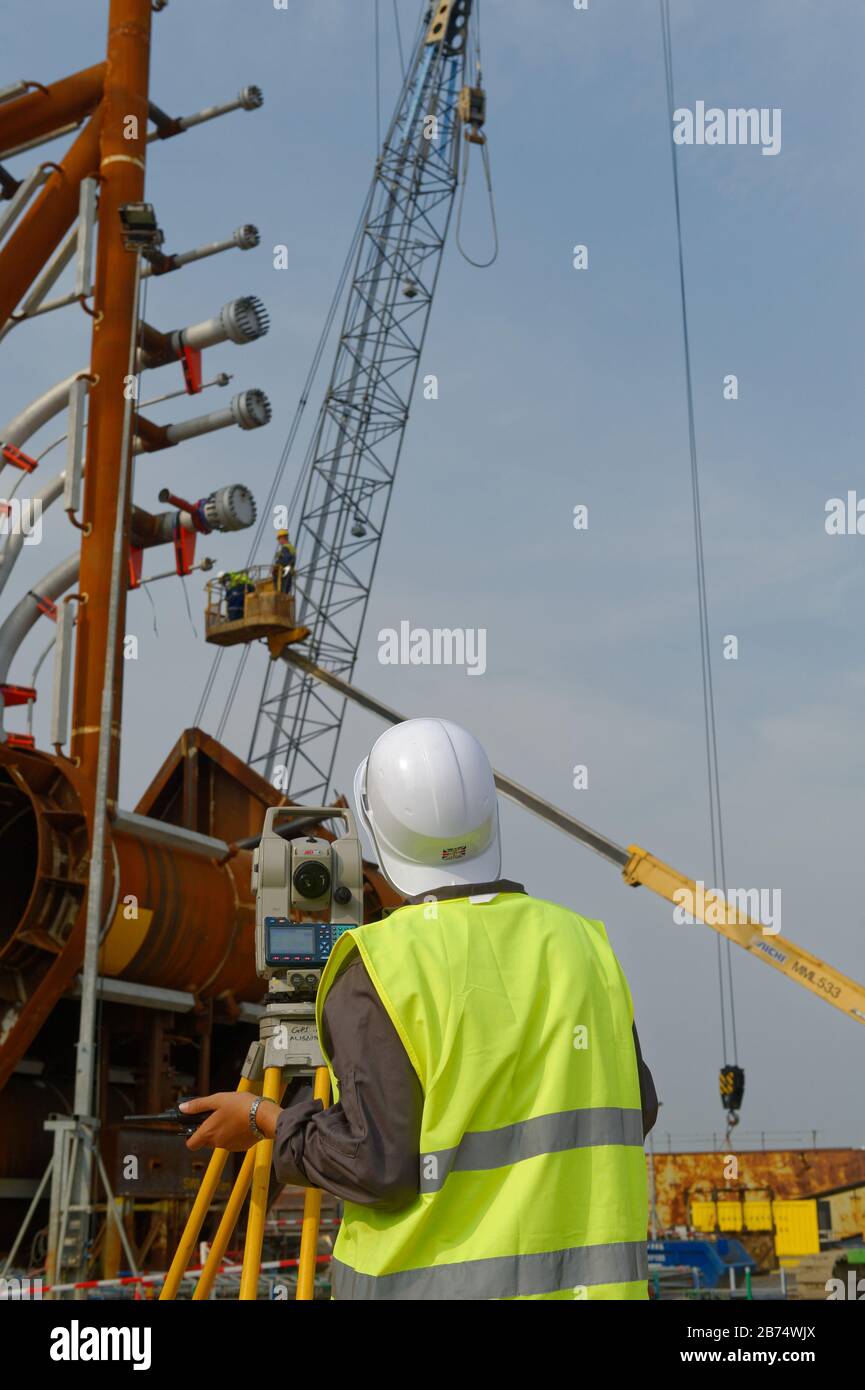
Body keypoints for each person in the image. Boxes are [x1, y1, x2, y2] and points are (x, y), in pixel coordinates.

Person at [182, 718, 658, 1301]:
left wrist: (263, 1117)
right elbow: (635, 1110)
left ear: (374, 831)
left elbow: (375, 1166)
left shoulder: (380, 965)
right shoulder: (586, 946)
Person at [272, 529, 296, 594]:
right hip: (288, 572)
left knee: (281, 592)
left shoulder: (286, 547)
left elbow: (285, 560)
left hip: (284, 572)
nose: (279, 541)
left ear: (283, 538)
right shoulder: (291, 547)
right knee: (285, 592)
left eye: (279, 539)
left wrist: (277, 565)